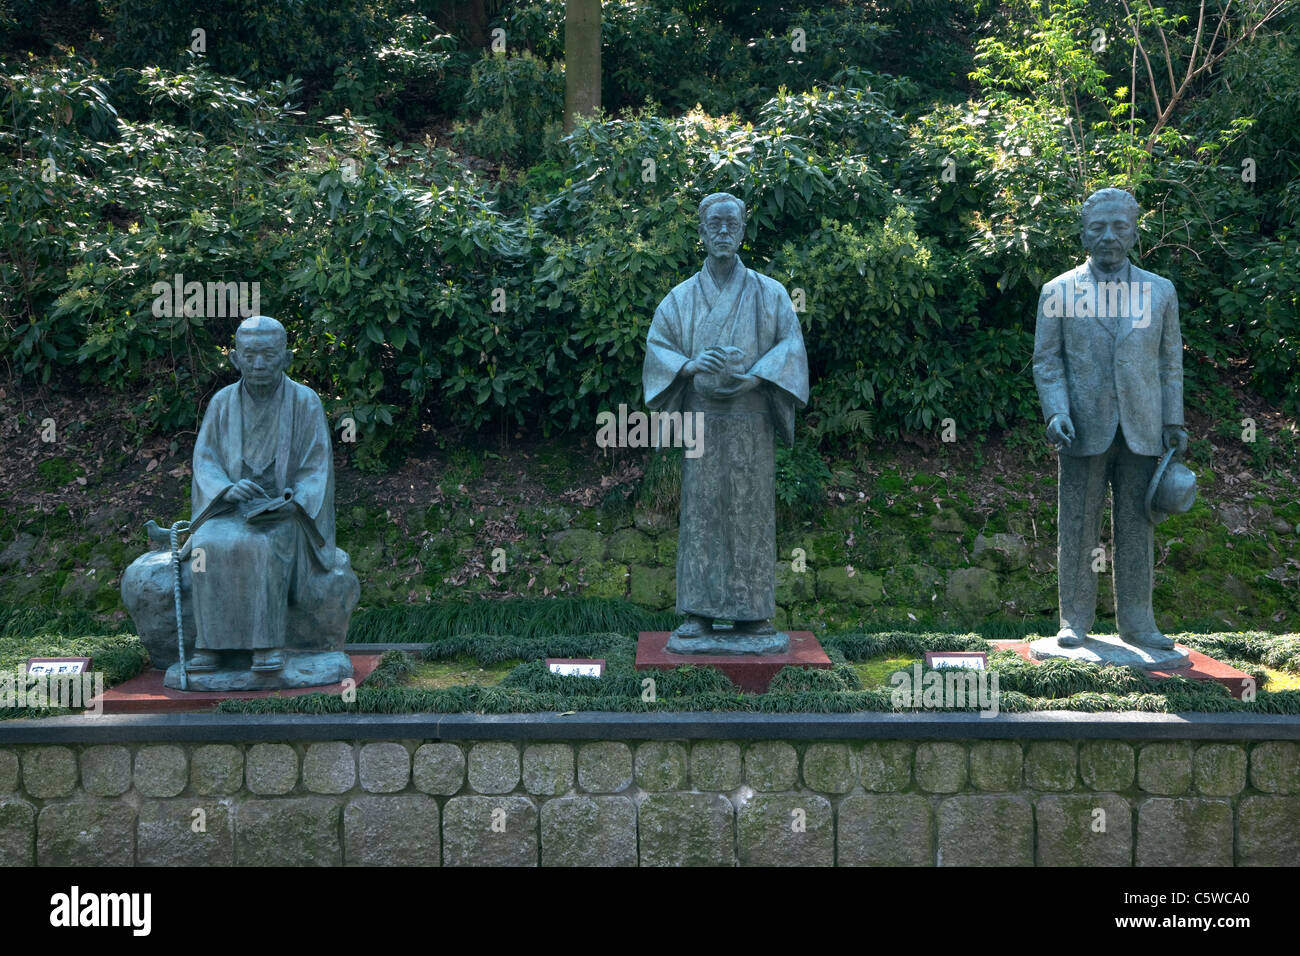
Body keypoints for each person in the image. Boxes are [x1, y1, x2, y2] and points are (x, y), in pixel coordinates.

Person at [643, 192, 809, 650]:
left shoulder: (769, 293)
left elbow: (791, 349)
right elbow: (658, 351)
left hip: (751, 423)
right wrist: (692, 365)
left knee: (749, 513)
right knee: (702, 511)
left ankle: (753, 616)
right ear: (700, 231)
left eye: (730, 225)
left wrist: (756, 377)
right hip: (702, 422)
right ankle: (697, 613)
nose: (721, 232)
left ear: (742, 232)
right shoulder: (680, 300)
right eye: (713, 224)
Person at [1032, 188, 1189, 650]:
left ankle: (1138, 622)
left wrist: (1174, 421)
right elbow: (1047, 361)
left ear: (1134, 232)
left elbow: (1169, 363)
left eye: (1119, 226)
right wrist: (1056, 410)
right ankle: (1074, 621)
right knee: (1077, 523)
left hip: (1144, 427)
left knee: (1137, 528)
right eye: (1098, 226)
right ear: (1083, 233)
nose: (1108, 236)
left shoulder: (1161, 291)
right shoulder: (1057, 291)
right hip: (1081, 426)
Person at [186, 315, 339, 672]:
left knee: (265, 545)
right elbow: (205, 460)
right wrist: (227, 488)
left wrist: (291, 500)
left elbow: (316, 467)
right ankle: (210, 646)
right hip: (228, 511)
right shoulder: (222, 403)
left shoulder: (306, 402)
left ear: (286, 358)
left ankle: (266, 646)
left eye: (268, 355)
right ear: (236, 359)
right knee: (206, 544)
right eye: (250, 355)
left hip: (285, 513)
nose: (258, 364)